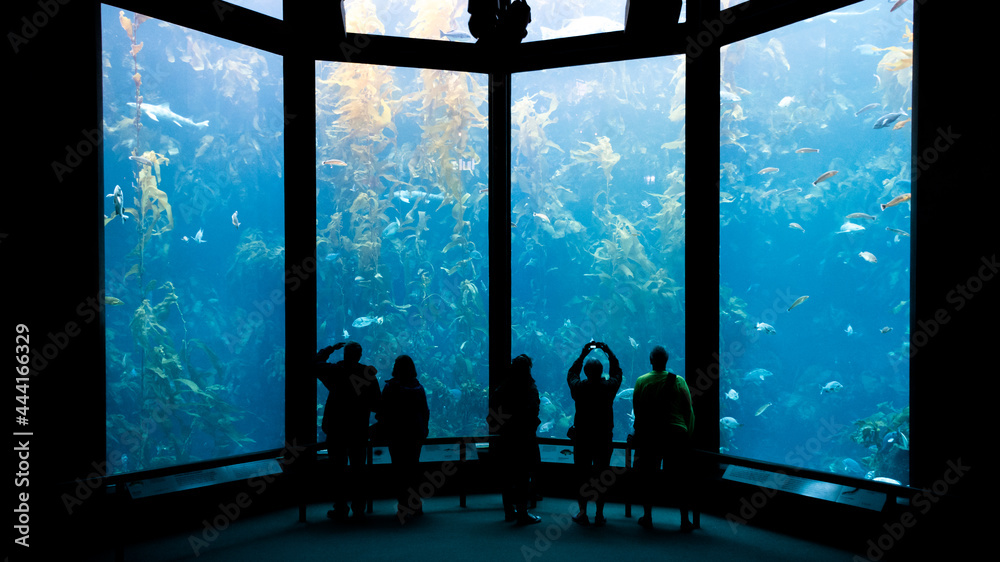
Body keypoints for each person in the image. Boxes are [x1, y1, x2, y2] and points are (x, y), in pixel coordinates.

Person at [314, 341, 381, 522]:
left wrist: (330, 349)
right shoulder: (368, 375)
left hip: (336, 429)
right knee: (359, 470)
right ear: (359, 356)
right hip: (358, 430)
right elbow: (377, 405)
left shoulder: (336, 371)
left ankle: (340, 508)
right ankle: (359, 507)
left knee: (338, 471)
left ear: (344, 355)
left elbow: (314, 363)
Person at [632, 345, 695, 531]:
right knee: (680, 479)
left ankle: (648, 516)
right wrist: (688, 434)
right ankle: (685, 520)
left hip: (650, 435)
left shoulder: (641, 381)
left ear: (651, 359)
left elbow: (637, 411)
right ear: (666, 360)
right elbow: (688, 409)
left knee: (647, 477)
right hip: (676, 434)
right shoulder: (679, 381)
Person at [567, 341, 622, 526]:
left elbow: (571, 374)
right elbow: (617, 373)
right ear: (601, 372)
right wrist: (608, 351)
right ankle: (599, 514)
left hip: (583, 439)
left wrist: (583, 355)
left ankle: (583, 512)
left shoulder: (579, 388)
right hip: (603, 438)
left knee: (582, 476)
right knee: (601, 477)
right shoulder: (608, 388)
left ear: (586, 372)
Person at [376, 355, 430, 523]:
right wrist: (424, 428)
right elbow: (425, 411)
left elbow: (383, 410)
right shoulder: (418, 387)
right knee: (413, 468)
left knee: (399, 469)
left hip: (397, 434)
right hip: (415, 433)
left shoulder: (391, 387)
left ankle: (403, 505)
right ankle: (416, 504)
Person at [491, 354, 542, 524]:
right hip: (524, 438)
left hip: (506, 437)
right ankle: (522, 513)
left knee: (507, 475)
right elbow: (533, 410)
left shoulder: (504, 386)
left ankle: (509, 511)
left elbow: (494, 409)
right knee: (522, 476)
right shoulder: (529, 387)